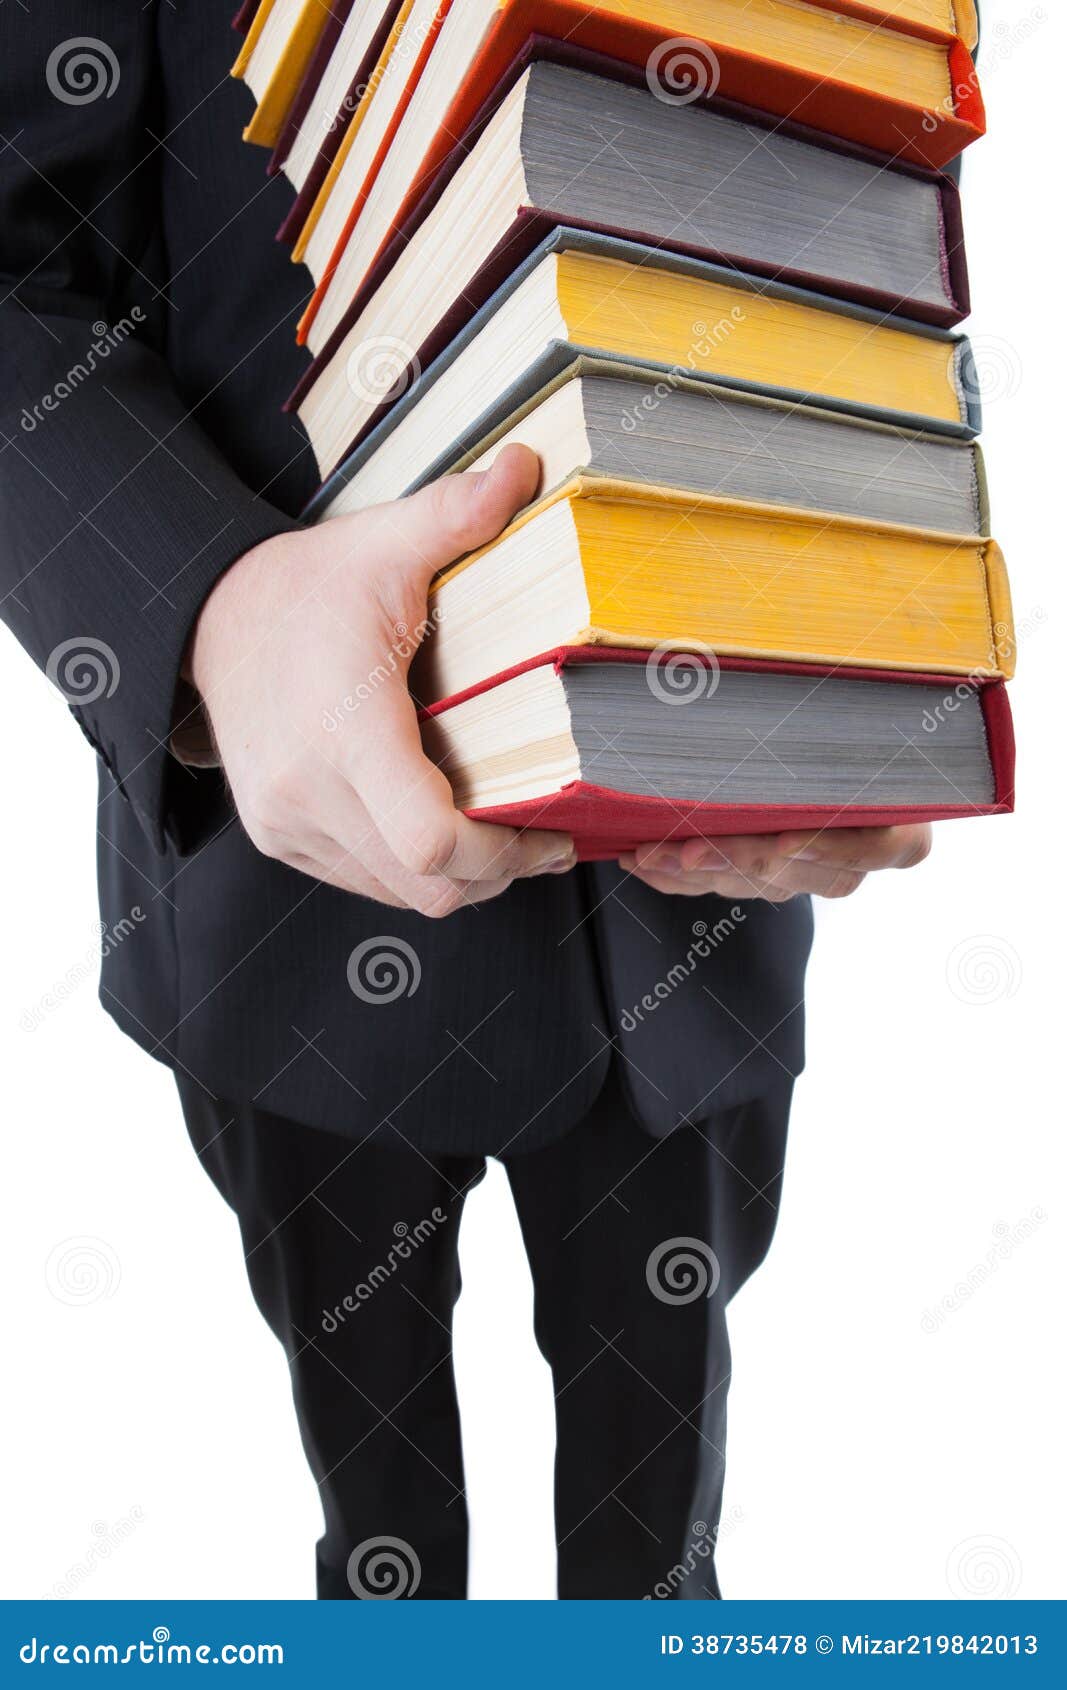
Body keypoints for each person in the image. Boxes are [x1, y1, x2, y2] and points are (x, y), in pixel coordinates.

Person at [0, 3, 931, 1600]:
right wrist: (205, 608)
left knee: (657, 1549)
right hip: (281, 880)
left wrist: (854, 617)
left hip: (696, 882)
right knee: (378, 1539)